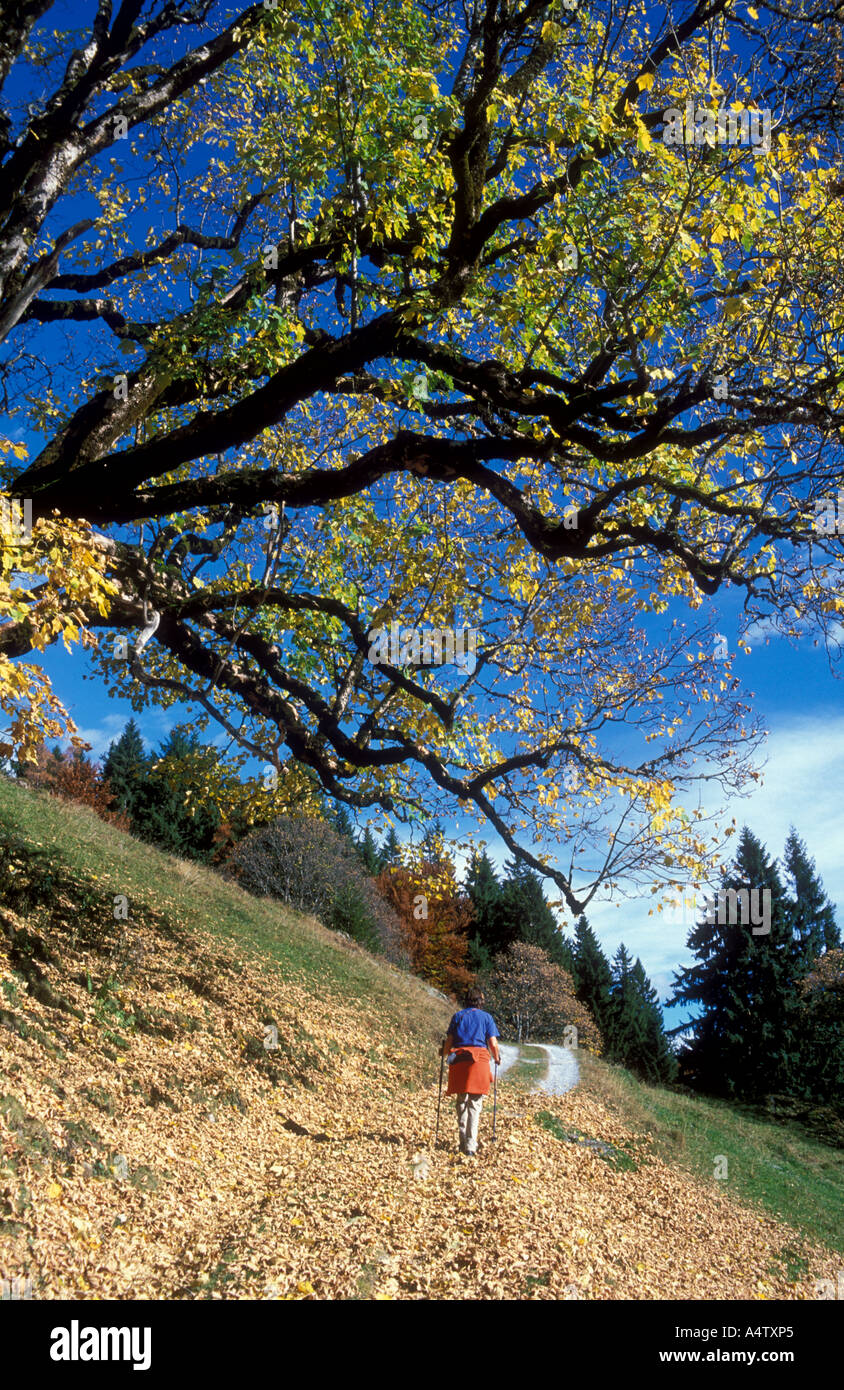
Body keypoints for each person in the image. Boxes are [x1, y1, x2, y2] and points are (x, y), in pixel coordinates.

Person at [442, 987, 501, 1157]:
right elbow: (493, 1043)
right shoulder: (486, 1018)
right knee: (474, 1103)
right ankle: (470, 1145)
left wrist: (445, 1052)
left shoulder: (458, 1016)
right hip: (478, 1062)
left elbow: (449, 1041)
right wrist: (496, 1058)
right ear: (480, 1002)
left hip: (459, 1060)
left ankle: (462, 1140)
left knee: (461, 1099)